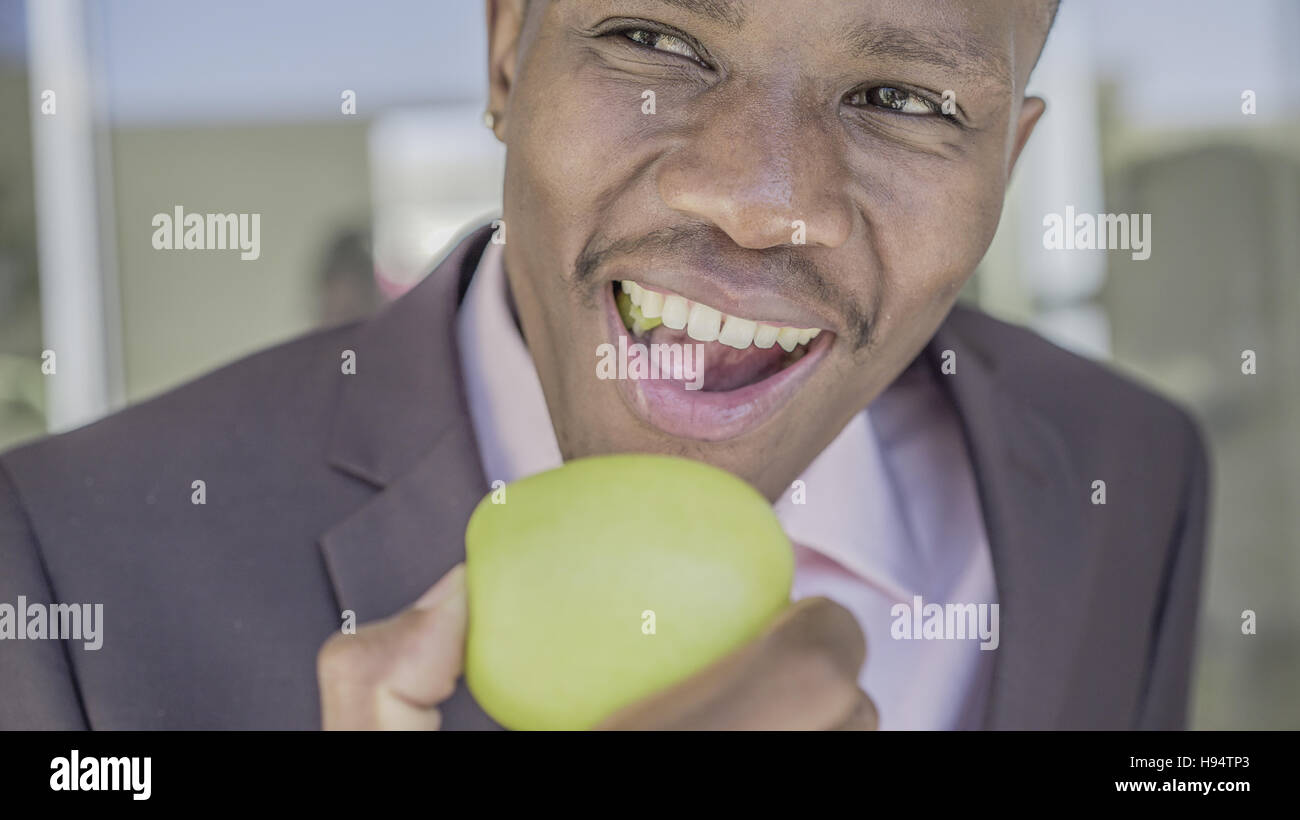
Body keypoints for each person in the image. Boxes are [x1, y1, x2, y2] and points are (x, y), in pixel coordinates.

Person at [0, 0, 1208, 730]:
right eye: (656, 38)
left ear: (1007, 160)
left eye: (901, 98)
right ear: (508, 55)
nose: (755, 198)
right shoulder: (67, 567)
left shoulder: (1132, 475)